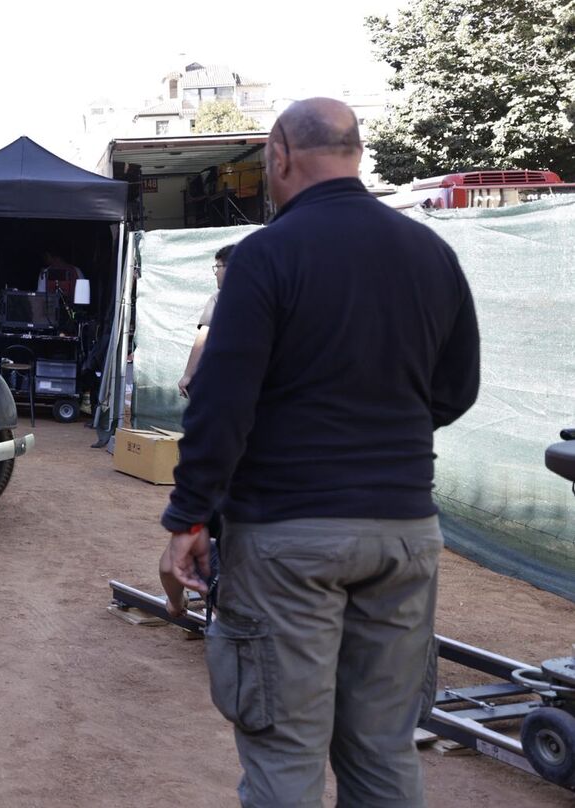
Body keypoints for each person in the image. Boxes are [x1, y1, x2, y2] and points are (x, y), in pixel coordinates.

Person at [156, 98, 480, 806]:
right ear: (356, 153)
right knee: (382, 752)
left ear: (279, 155)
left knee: (284, 755)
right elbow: (456, 391)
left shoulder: (265, 255)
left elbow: (220, 404)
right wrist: (379, 437)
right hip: (402, 534)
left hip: (287, 537)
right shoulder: (430, 252)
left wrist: (186, 518)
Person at [177, 244, 235, 398]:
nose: (215, 273)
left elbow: (203, 338)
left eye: (218, 267)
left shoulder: (220, 298)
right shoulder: (265, 293)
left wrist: (188, 375)